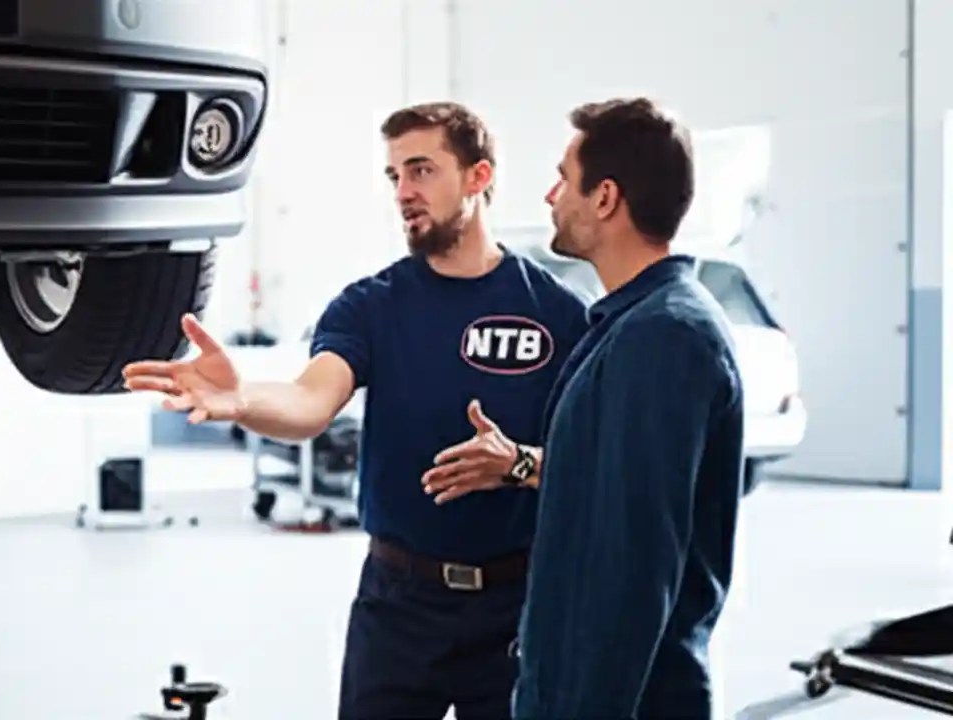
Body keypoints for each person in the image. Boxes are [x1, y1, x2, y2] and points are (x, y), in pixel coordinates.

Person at [122, 101, 589, 719]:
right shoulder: (372, 306)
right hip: (398, 606)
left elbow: (595, 464)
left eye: (422, 170)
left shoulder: (557, 313)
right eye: (395, 176)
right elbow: (311, 400)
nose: (404, 192)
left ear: (479, 177)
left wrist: (519, 463)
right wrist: (242, 400)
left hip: (517, 608)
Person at [507, 97, 745, 719]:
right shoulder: (631, 325)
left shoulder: (666, 336)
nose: (551, 195)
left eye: (564, 177)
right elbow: (598, 493)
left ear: (605, 198)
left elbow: (634, 568)